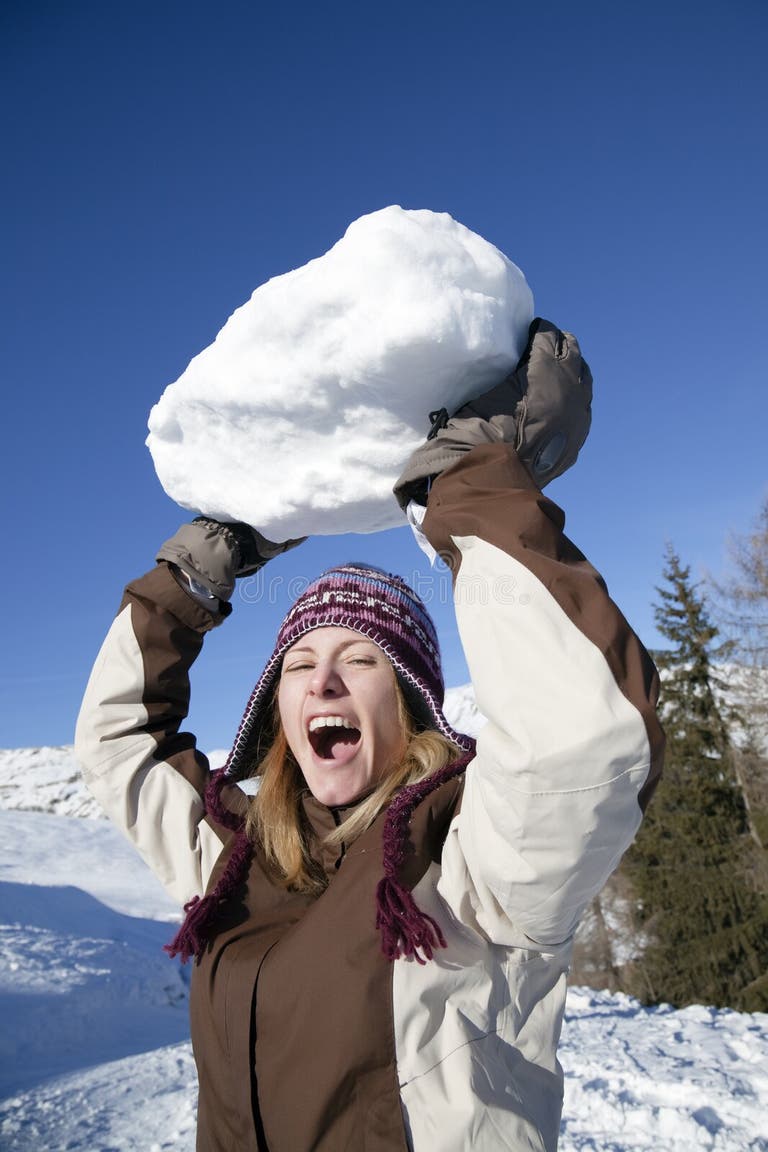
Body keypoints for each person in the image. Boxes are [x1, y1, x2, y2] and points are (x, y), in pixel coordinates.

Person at [75, 320, 664, 1152]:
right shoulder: (235, 855)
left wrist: (471, 489)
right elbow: (120, 742)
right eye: (297, 664)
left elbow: (585, 742)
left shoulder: (471, 860)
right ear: (275, 712)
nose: (321, 681)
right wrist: (202, 569)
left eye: (361, 659)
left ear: (414, 704)